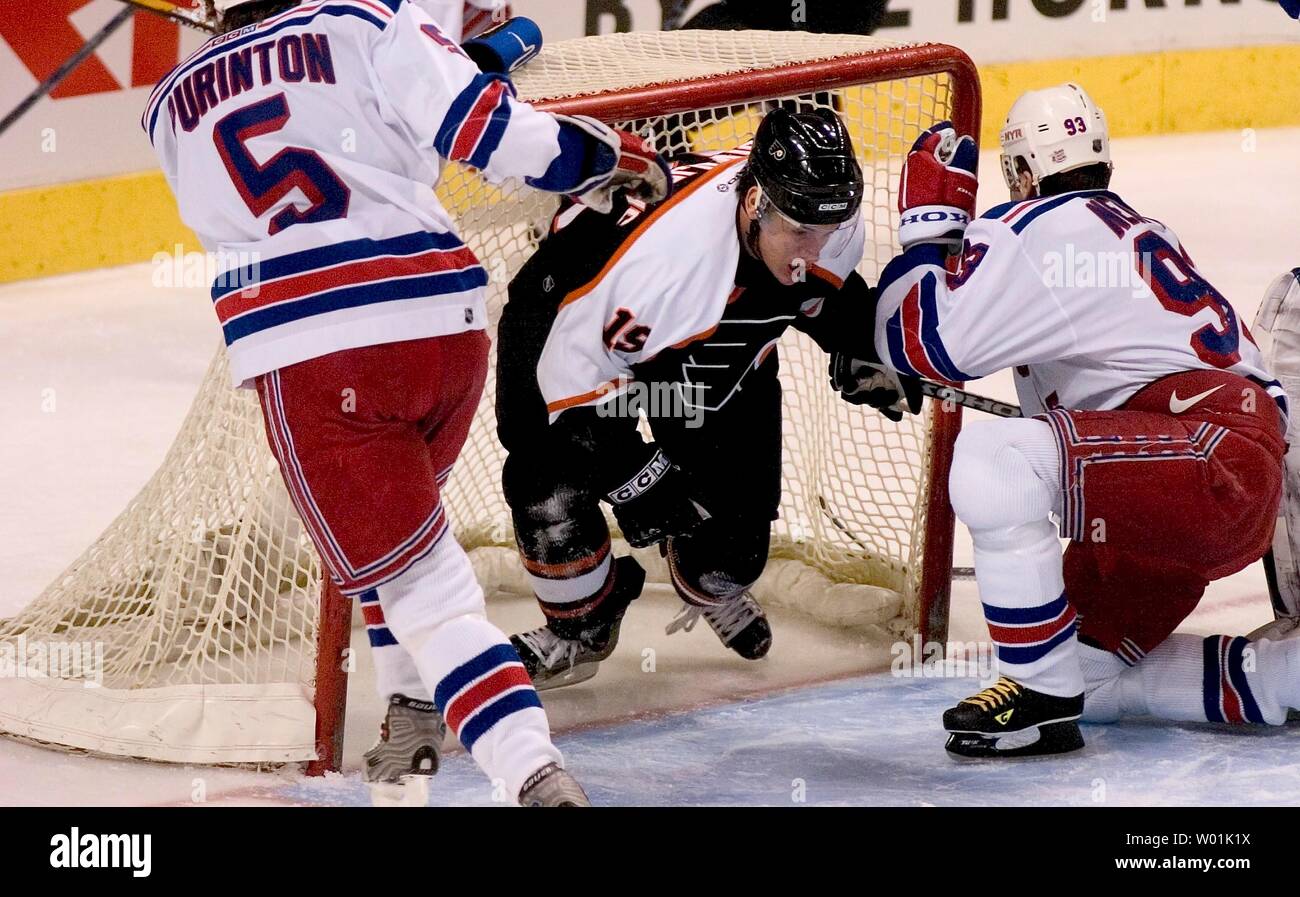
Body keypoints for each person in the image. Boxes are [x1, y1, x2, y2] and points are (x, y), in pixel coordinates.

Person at [144, 0, 669, 803]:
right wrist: (599, 156)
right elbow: (486, 133)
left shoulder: (166, 105)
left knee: (425, 586)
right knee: (407, 544)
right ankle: (413, 710)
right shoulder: (367, 18)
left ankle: (529, 766)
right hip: (442, 328)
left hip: (317, 356)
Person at [870, 82, 1290, 757]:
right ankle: (1281, 677)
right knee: (1086, 676)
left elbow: (924, 344)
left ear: (1022, 171)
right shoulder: (1137, 229)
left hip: (1205, 461)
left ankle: (1034, 694)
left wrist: (930, 227)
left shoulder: (1038, 228)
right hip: (1206, 477)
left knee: (993, 461)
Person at [495, 107, 914, 689]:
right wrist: (638, 478)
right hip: (565, 315)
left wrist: (861, 348)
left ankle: (689, 559)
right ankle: (581, 627)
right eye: (799, 232)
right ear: (753, 205)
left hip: (695, 335)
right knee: (549, 479)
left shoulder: (816, 219)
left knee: (729, 563)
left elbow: (820, 296)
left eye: (827, 231)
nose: (814, 251)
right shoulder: (671, 265)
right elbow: (574, 392)